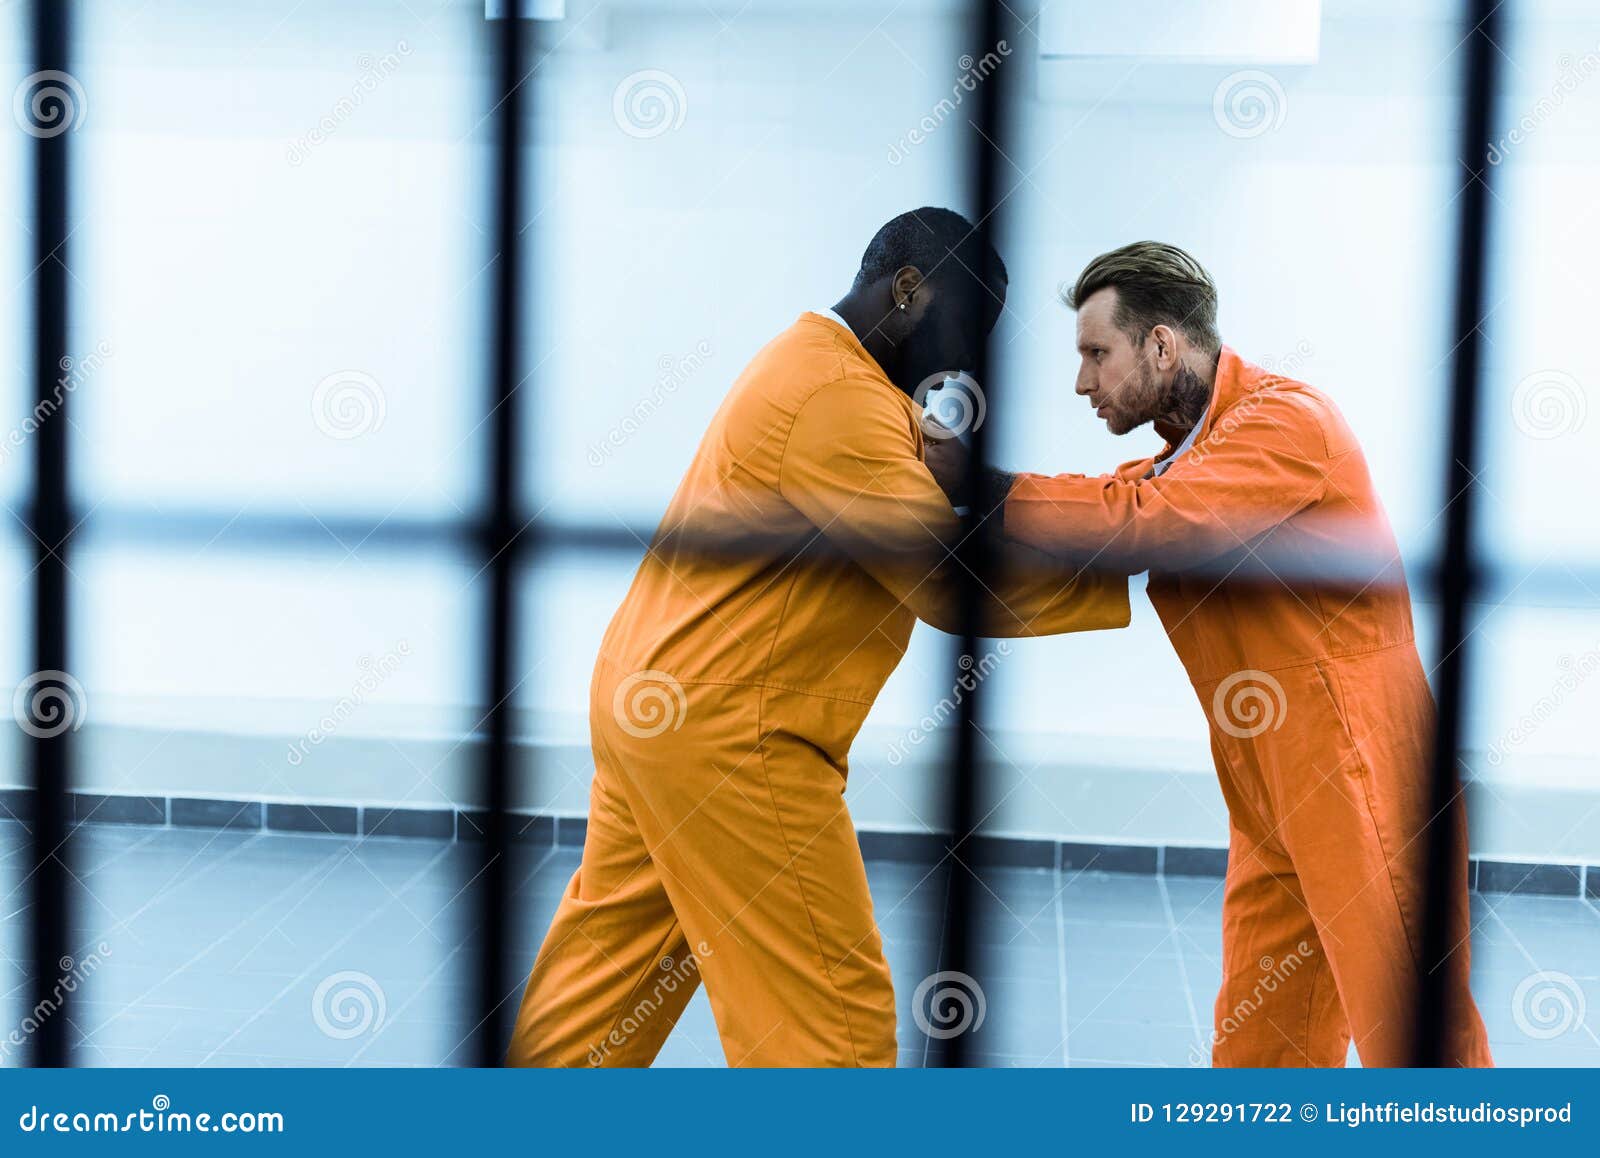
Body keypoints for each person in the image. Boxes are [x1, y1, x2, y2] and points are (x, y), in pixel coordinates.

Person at [505, 208, 1130, 1068]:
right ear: (906, 291)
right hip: (731, 738)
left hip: (649, 706)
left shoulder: (808, 364)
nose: (966, 361)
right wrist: (1131, 556)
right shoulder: (840, 398)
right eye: (964, 327)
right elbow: (946, 583)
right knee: (830, 1017)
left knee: (603, 984)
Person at [924, 241, 1492, 1068]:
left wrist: (992, 483)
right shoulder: (1186, 457)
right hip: (1268, 781)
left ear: (1161, 345)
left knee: (1413, 1030)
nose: (1081, 382)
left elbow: (1150, 521)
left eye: (1095, 354)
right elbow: (1109, 529)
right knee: (1264, 1037)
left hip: (1359, 764)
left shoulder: (1288, 421)